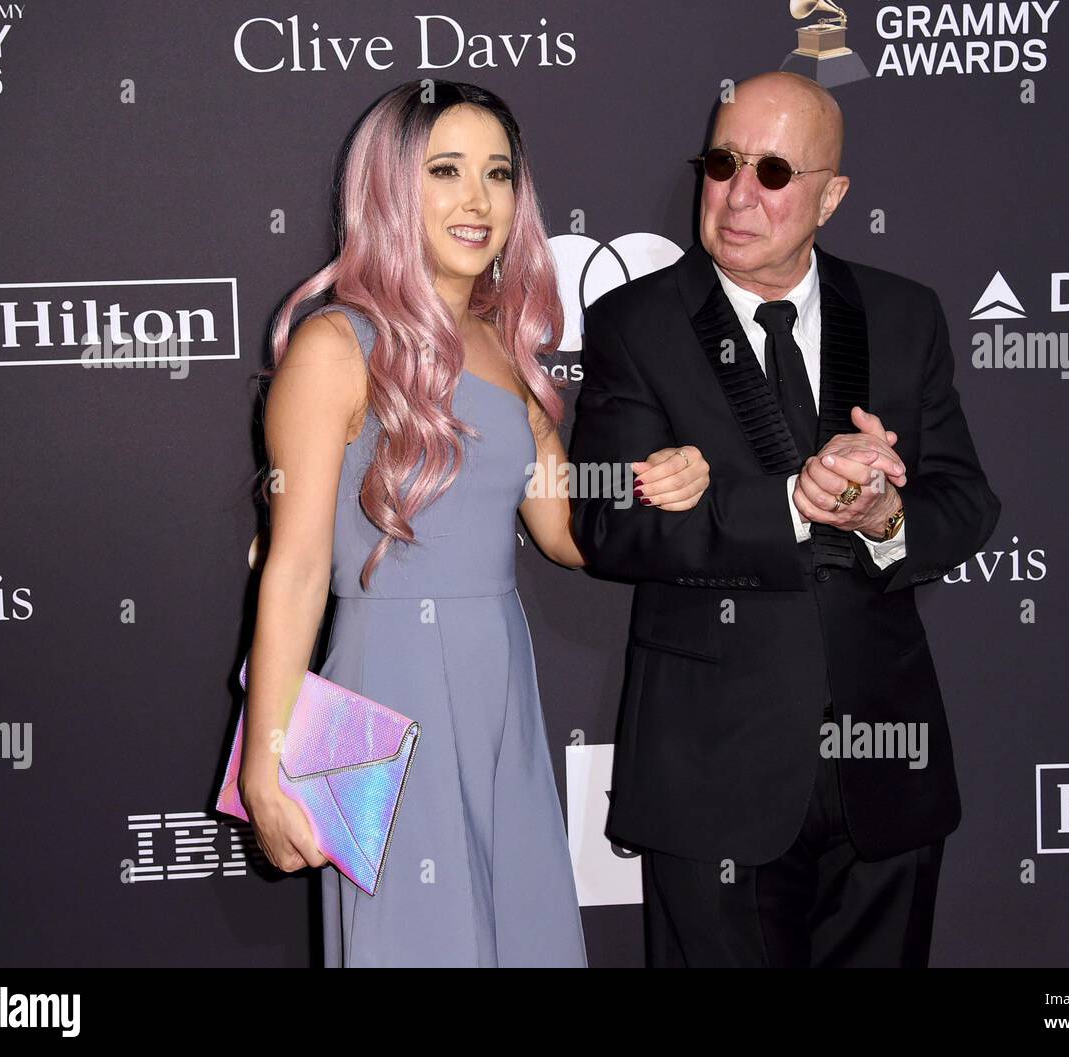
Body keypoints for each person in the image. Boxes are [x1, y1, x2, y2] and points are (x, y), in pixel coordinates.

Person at [237, 80, 713, 967]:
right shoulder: (334, 346)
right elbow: (296, 570)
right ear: (387, 188)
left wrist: (661, 483)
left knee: (518, 932)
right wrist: (267, 760)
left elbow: (570, 535)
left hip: (502, 683)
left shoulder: (504, 347)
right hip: (387, 686)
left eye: (498, 173)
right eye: (445, 171)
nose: (478, 199)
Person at [568, 71, 1001, 968]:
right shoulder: (634, 324)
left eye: (772, 172)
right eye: (722, 163)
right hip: (710, 772)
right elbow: (611, 524)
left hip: (887, 765)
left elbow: (965, 502)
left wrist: (886, 517)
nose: (736, 194)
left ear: (831, 195)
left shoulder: (901, 313)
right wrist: (787, 506)